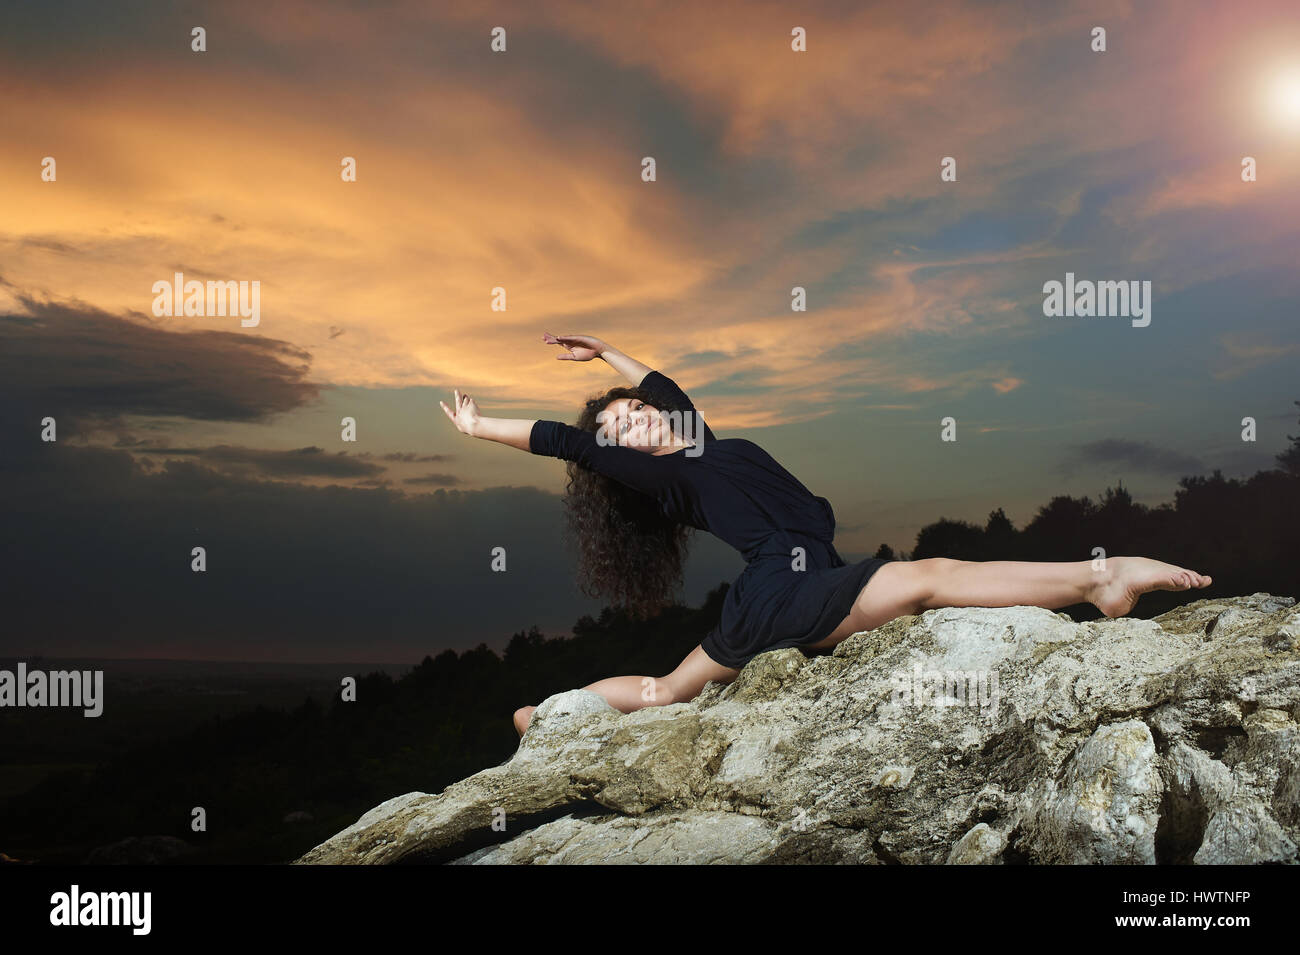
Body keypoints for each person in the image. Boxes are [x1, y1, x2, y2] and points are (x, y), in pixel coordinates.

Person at [440, 334, 1212, 738]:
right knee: (926, 576)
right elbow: (565, 442)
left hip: (790, 582)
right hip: (780, 582)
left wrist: (604, 348)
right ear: (621, 454)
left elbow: (660, 383)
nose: (631, 421)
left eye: (631, 411)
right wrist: (480, 428)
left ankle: (552, 711)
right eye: (617, 428)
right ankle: (1095, 578)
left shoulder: (701, 439)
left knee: (672, 690)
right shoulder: (664, 481)